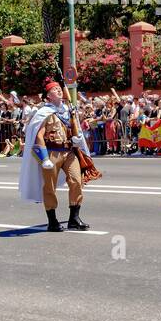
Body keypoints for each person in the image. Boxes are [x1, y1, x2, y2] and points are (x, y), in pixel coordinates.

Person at [16, 81, 92, 231]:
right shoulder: (44, 112)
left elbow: (73, 128)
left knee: (76, 180)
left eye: (59, 88)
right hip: (51, 152)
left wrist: (77, 138)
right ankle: (52, 221)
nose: (58, 90)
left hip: (69, 151)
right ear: (48, 96)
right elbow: (39, 135)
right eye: (54, 89)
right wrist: (44, 158)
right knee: (49, 187)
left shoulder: (67, 110)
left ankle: (74, 218)